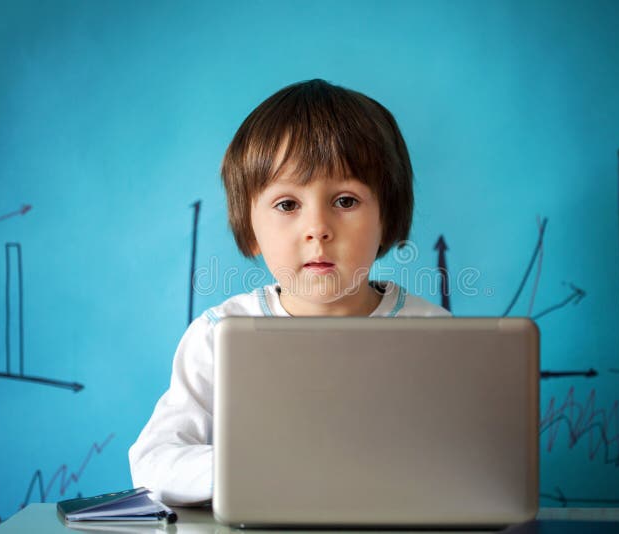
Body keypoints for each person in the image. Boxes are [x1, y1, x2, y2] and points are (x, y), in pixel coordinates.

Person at [129, 79, 451, 505]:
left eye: (345, 201)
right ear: (251, 230)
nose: (317, 228)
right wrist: (260, 467)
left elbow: (465, 461)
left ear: (387, 218)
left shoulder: (439, 335)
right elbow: (154, 463)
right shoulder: (218, 335)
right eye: (287, 205)